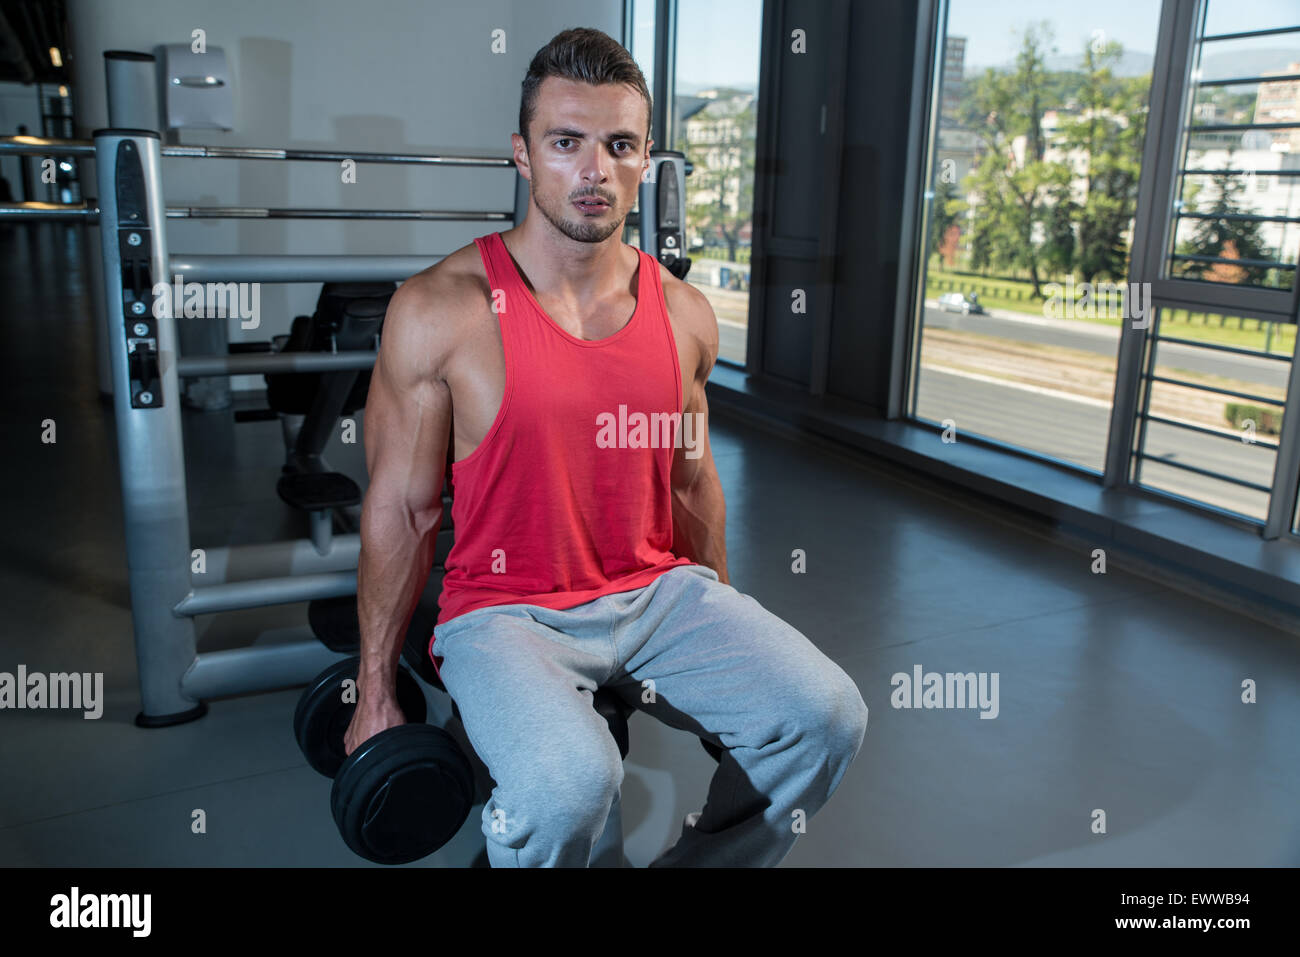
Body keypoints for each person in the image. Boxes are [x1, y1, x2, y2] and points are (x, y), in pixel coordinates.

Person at [345, 26, 867, 867]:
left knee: (826, 715)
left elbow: (692, 487)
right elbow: (403, 512)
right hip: (505, 612)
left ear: (646, 158)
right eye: (566, 142)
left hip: (657, 595)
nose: (594, 170)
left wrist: (727, 628)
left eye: (619, 145)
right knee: (569, 785)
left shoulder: (684, 313)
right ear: (522, 154)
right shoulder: (442, 309)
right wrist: (374, 691)